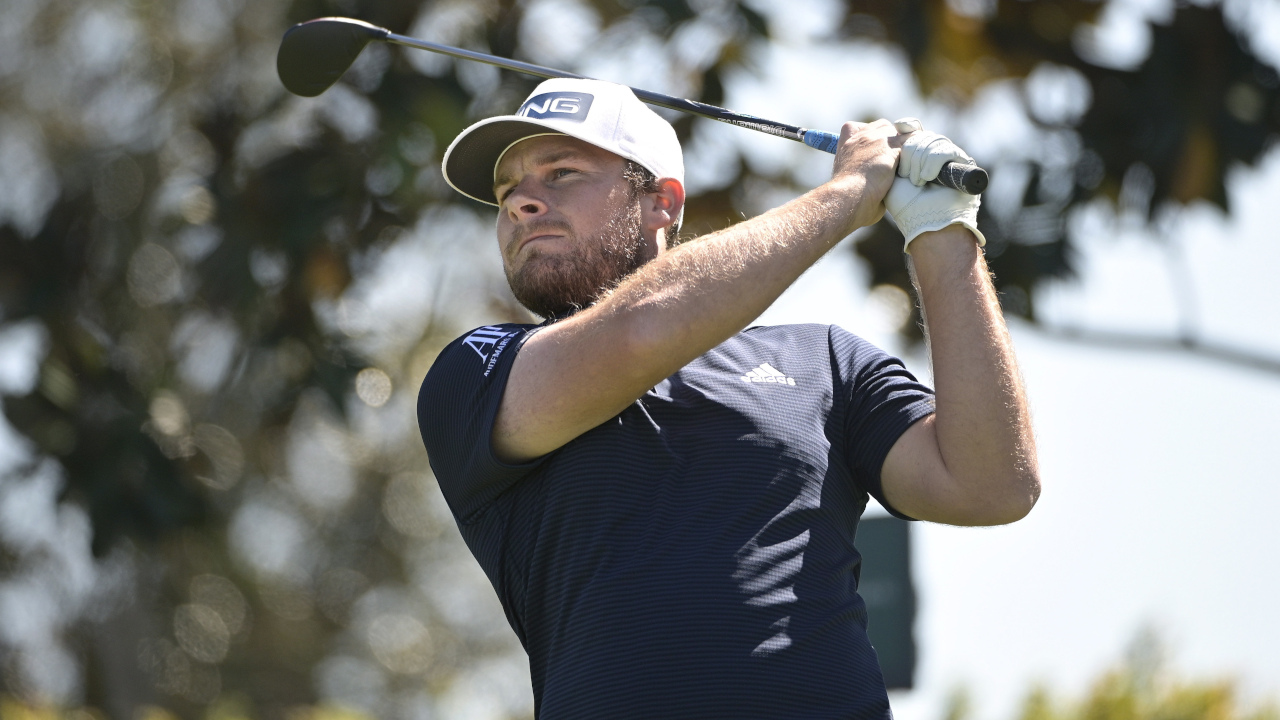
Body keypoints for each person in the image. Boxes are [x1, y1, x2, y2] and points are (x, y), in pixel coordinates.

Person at [417, 77, 1039, 719]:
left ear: (661, 202)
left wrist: (941, 226)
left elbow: (992, 484)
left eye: (562, 173)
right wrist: (849, 192)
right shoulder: (478, 373)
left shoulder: (825, 360)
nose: (522, 201)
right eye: (506, 191)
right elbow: (640, 329)